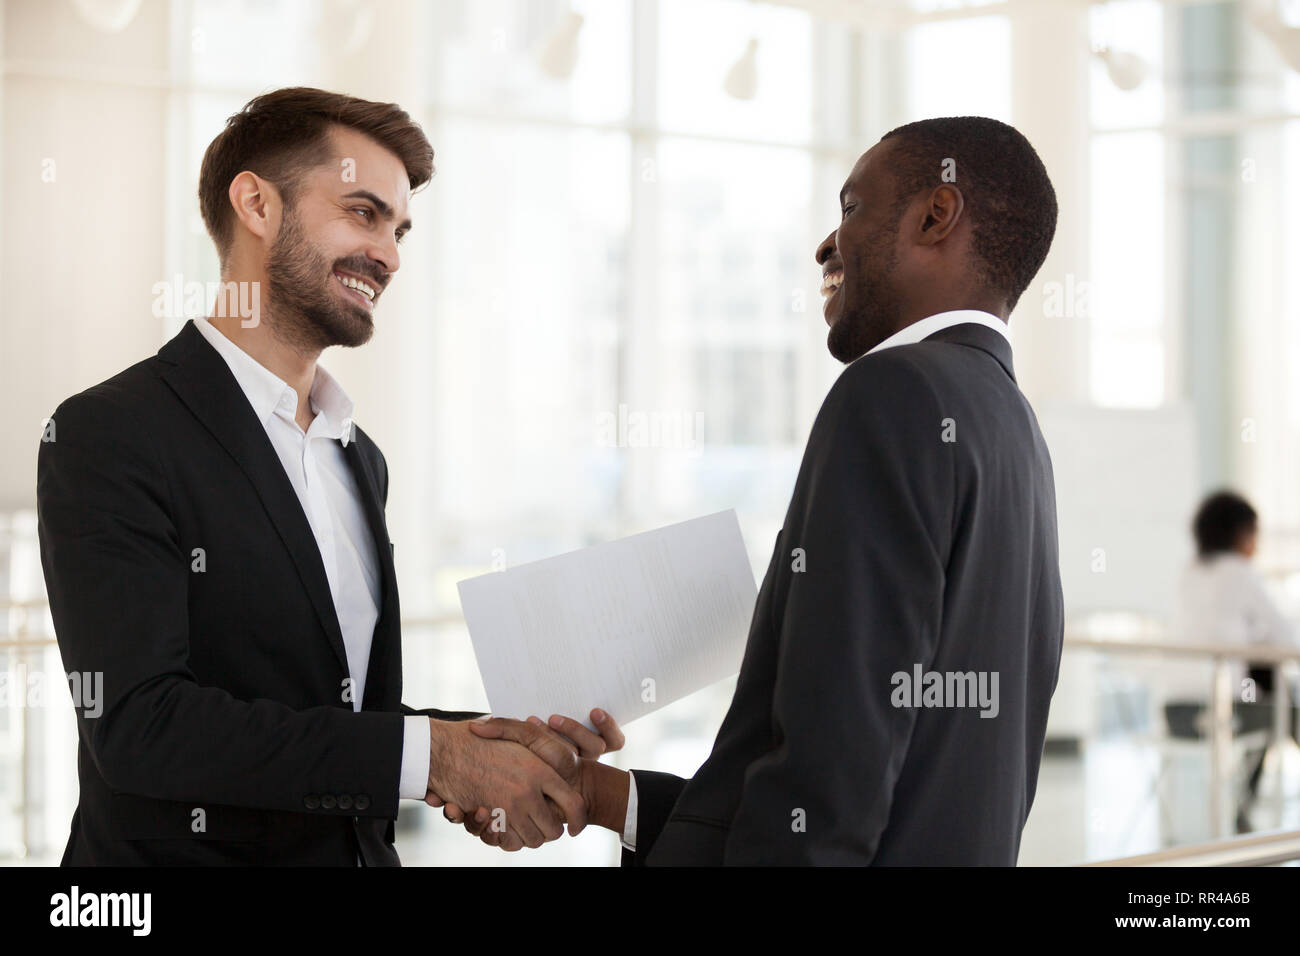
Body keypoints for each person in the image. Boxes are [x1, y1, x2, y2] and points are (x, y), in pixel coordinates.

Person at [445, 116, 1066, 865]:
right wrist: (602, 794)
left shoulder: (890, 393)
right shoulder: (1010, 424)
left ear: (936, 215)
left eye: (851, 208)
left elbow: (832, 772)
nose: (826, 245)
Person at [36, 87, 618, 866]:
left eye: (401, 228)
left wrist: (497, 749)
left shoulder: (358, 456)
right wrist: (435, 758)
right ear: (257, 205)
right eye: (364, 212)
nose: (391, 253)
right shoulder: (112, 433)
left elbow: (332, 711)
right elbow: (140, 726)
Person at [1173, 490, 1295, 830]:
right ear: (1241, 533)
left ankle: (1244, 803)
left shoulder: (1190, 572)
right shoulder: (1241, 573)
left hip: (1176, 713)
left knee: (1269, 691)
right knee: (1284, 709)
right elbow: (1287, 637)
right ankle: (1245, 802)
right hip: (1225, 712)